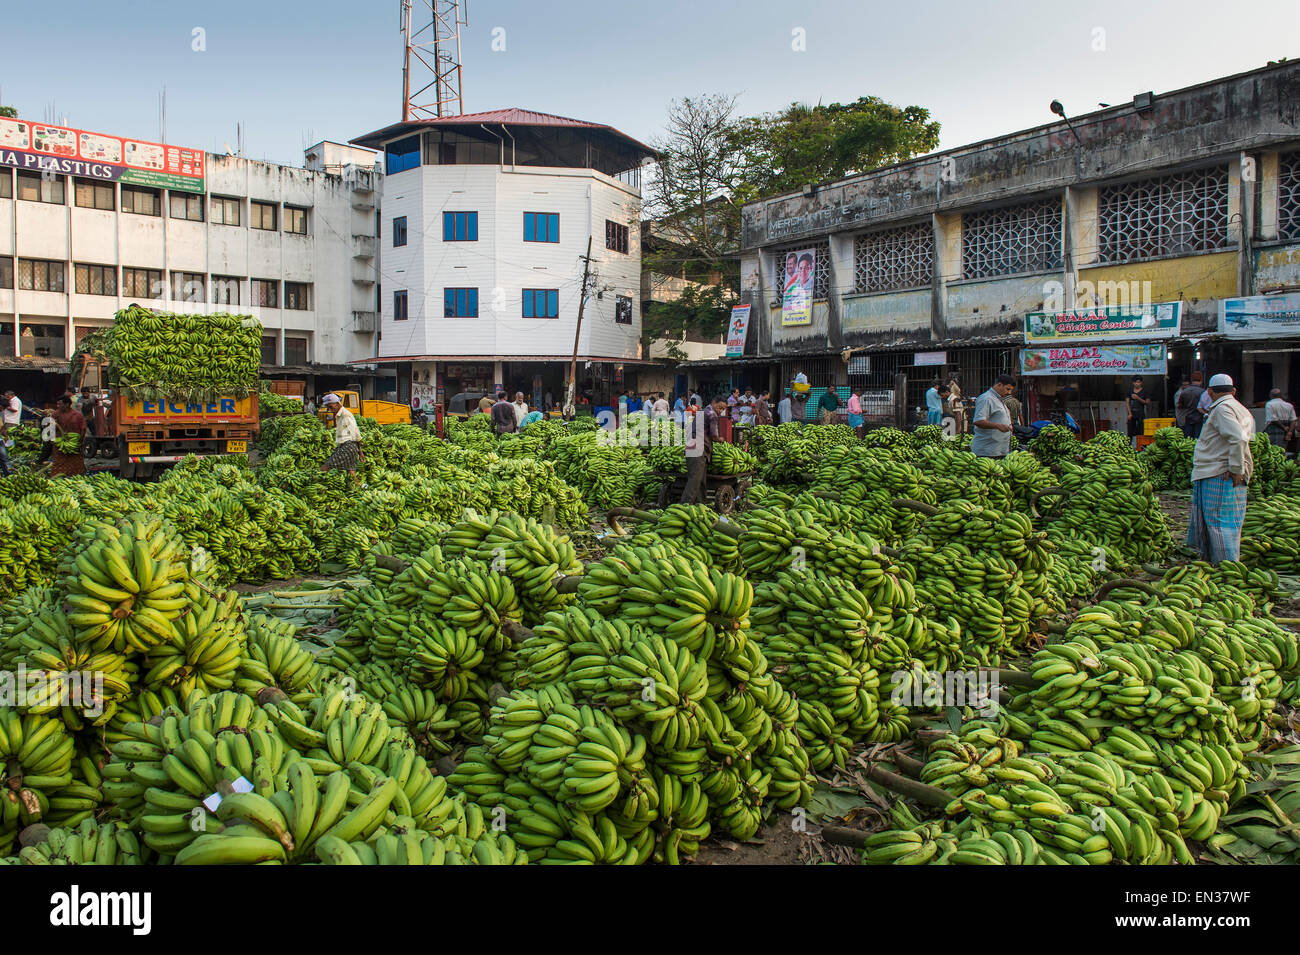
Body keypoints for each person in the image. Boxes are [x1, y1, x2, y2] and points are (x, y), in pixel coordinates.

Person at [1188, 375, 1255, 564]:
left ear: (1209, 392)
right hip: (1229, 470)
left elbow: (1237, 438)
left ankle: (1226, 567)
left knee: (1218, 522)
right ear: (1233, 391)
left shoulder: (1222, 409)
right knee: (1230, 520)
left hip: (1220, 471)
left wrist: (1236, 468)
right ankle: (1220, 562)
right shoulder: (1240, 408)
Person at [682, 396, 725, 504]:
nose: (720, 411)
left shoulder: (702, 411)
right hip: (699, 449)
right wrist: (721, 440)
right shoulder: (712, 414)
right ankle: (683, 506)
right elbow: (714, 436)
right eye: (720, 407)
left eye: (723, 409)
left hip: (692, 446)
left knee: (700, 480)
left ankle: (701, 505)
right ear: (713, 402)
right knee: (695, 480)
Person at [319, 394, 365, 485]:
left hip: (348, 446)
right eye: (328, 407)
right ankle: (359, 488)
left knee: (327, 466)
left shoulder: (345, 415)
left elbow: (356, 433)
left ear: (337, 404)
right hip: (346, 446)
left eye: (331, 406)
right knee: (351, 471)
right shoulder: (339, 415)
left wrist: (360, 451)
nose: (330, 409)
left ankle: (313, 481)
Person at [971, 375, 1016, 458]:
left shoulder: (999, 399)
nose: (1009, 393)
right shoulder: (986, 399)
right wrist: (999, 426)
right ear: (999, 385)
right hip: (987, 451)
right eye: (1008, 389)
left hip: (999, 450)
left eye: (1011, 390)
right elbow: (978, 421)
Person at [50, 395, 88, 478]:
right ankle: (56, 478)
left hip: (73, 443)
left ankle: (77, 477)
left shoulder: (77, 415)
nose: (58, 406)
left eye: (60, 404)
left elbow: (83, 429)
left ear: (67, 404)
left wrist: (79, 442)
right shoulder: (55, 414)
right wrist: (52, 439)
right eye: (57, 404)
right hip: (60, 443)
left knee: (75, 461)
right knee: (59, 462)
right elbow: (51, 428)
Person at [1179, 372, 1206, 438]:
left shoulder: (1184, 392)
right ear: (1201, 379)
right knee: (1198, 439)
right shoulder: (1203, 392)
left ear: (1191, 379)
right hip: (1200, 419)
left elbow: (1180, 406)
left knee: (1188, 440)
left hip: (1188, 418)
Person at [1126, 377, 1150, 448]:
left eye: (1139, 382)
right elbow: (1127, 403)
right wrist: (1129, 414)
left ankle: (1142, 446)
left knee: (1141, 431)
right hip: (1132, 413)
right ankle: (1128, 446)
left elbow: (1147, 402)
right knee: (1130, 431)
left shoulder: (1145, 392)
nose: (1137, 384)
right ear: (1133, 383)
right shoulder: (1129, 391)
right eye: (1136, 382)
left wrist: (1138, 398)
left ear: (1141, 383)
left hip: (1140, 413)